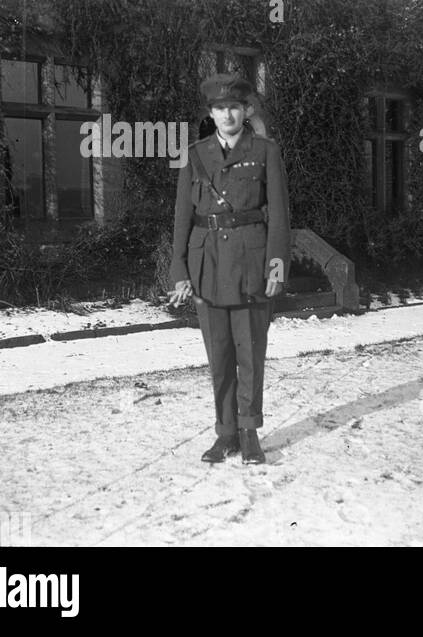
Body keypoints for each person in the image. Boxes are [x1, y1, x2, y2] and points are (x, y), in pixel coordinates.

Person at [169, 73, 290, 464]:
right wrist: (179, 269)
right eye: (220, 109)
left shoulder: (266, 151)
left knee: (250, 351)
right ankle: (225, 434)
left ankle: (249, 431)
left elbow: (280, 214)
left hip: (251, 262)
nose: (227, 115)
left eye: (234, 108)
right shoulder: (196, 153)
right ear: (211, 113)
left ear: (246, 111)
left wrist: (276, 265)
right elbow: (181, 217)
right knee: (218, 353)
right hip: (206, 265)